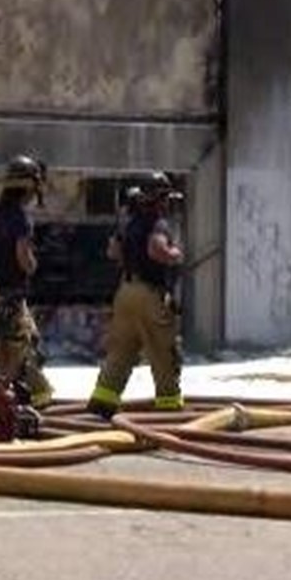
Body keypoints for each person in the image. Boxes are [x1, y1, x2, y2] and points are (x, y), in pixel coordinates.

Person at [87, 171, 186, 417]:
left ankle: (103, 400)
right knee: (163, 351)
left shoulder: (128, 222)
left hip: (125, 292)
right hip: (149, 294)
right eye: (166, 199)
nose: (167, 204)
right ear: (160, 199)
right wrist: (176, 255)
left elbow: (113, 252)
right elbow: (157, 250)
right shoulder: (157, 223)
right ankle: (169, 405)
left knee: (121, 350)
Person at [0, 153, 55, 411]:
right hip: (9, 293)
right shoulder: (20, 217)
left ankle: (35, 398)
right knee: (11, 356)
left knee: (27, 343)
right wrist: (33, 265)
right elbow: (23, 257)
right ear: (29, 186)